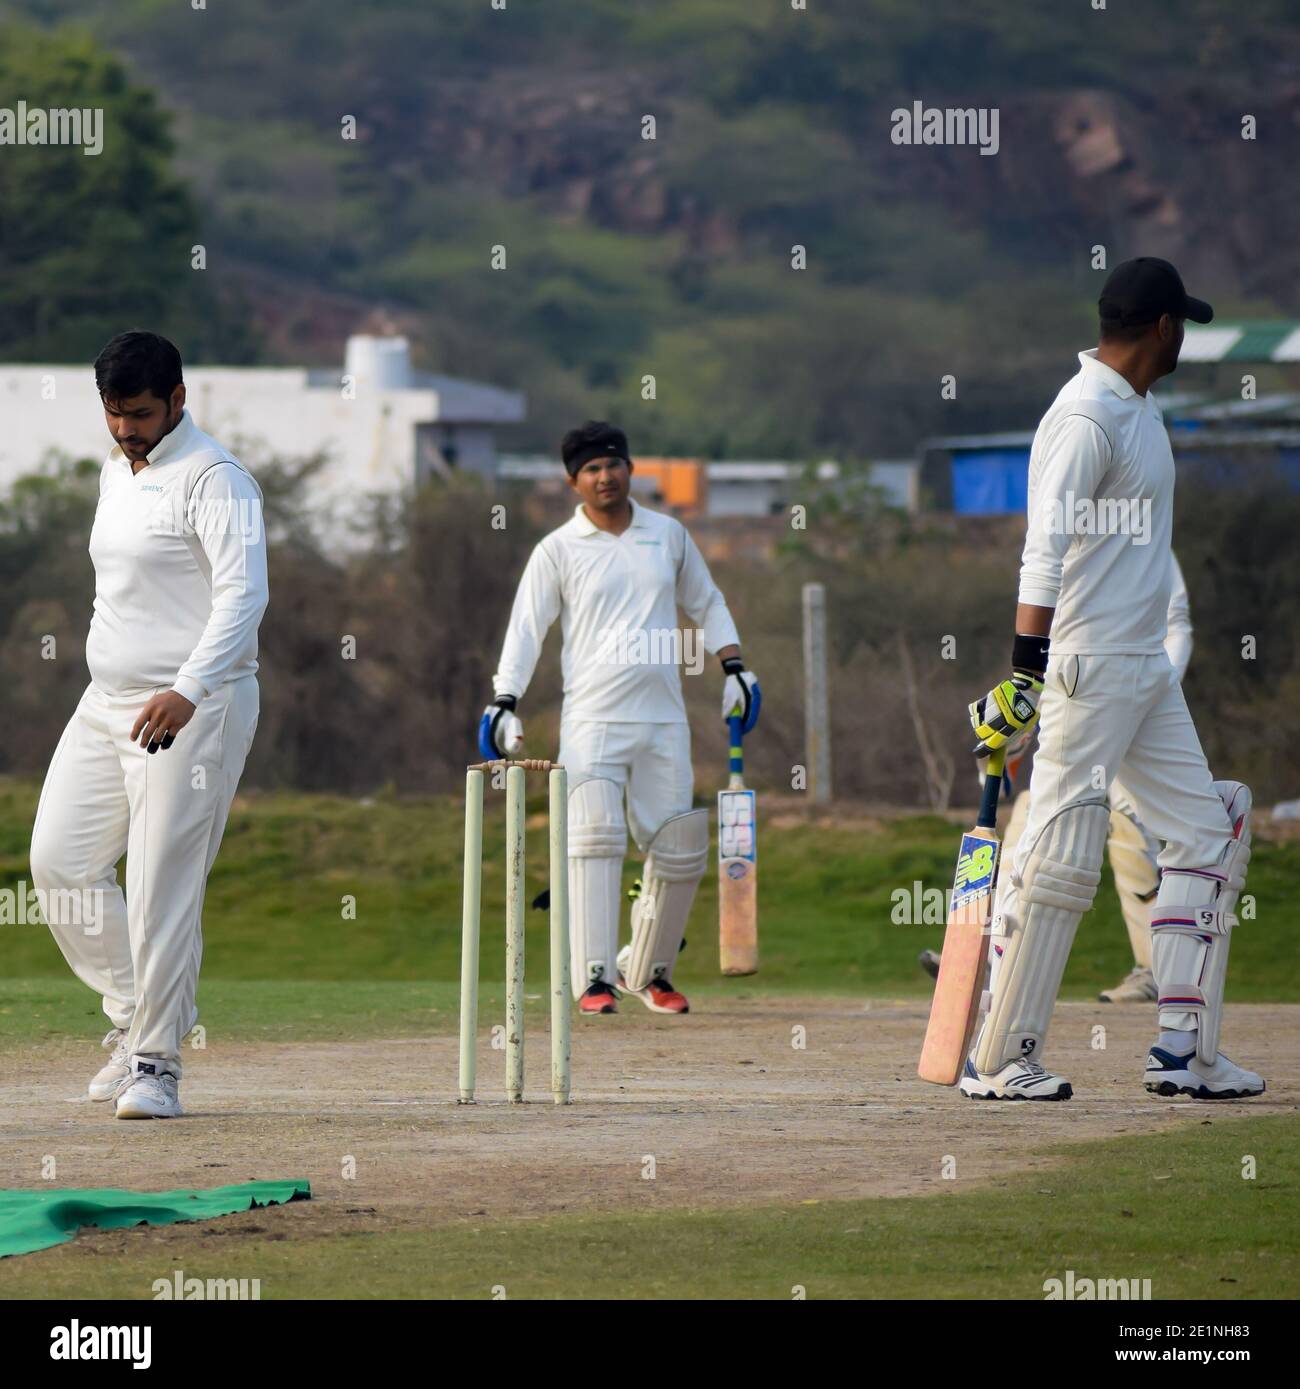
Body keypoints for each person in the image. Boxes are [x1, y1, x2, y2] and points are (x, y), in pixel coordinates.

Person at [962, 258, 1261, 1102]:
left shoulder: (1139, 407)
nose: (1185, 340)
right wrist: (1026, 672)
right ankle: (999, 1057)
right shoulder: (1086, 415)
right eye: (1184, 327)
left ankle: (1184, 1052)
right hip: (1087, 668)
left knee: (1209, 832)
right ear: (1163, 327)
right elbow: (1042, 548)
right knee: (1056, 852)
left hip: (1146, 672)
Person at [29, 332, 268, 1119]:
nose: (127, 428)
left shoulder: (217, 479)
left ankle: (157, 1065)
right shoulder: (114, 472)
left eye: (140, 413)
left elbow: (244, 597)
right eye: (114, 413)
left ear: (178, 400)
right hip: (108, 704)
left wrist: (189, 687)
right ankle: (134, 1016)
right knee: (60, 863)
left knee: (162, 884)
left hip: (196, 705)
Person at [480, 421, 758, 1015]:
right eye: (591, 470)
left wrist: (734, 667)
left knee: (678, 848)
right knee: (594, 840)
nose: (605, 477)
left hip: (663, 719)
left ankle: (652, 971)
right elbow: (527, 629)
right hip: (593, 720)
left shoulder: (667, 535)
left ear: (630, 469)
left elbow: (706, 601)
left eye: (614, 464)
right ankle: (595, 980)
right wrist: (505, 698)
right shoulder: (558, 549)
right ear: (573, 482)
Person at [920, 552, 1192, 1003]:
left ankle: (1155, 969)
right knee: (1028, 820)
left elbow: (1176, 623)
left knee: (1126, 824)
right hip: (1078, 696)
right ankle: (993, 961)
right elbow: (1053, 639)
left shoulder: (1144, 529)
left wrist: (1148, 694)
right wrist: (1024, 712)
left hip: (1140, 697)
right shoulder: (1061, 535)